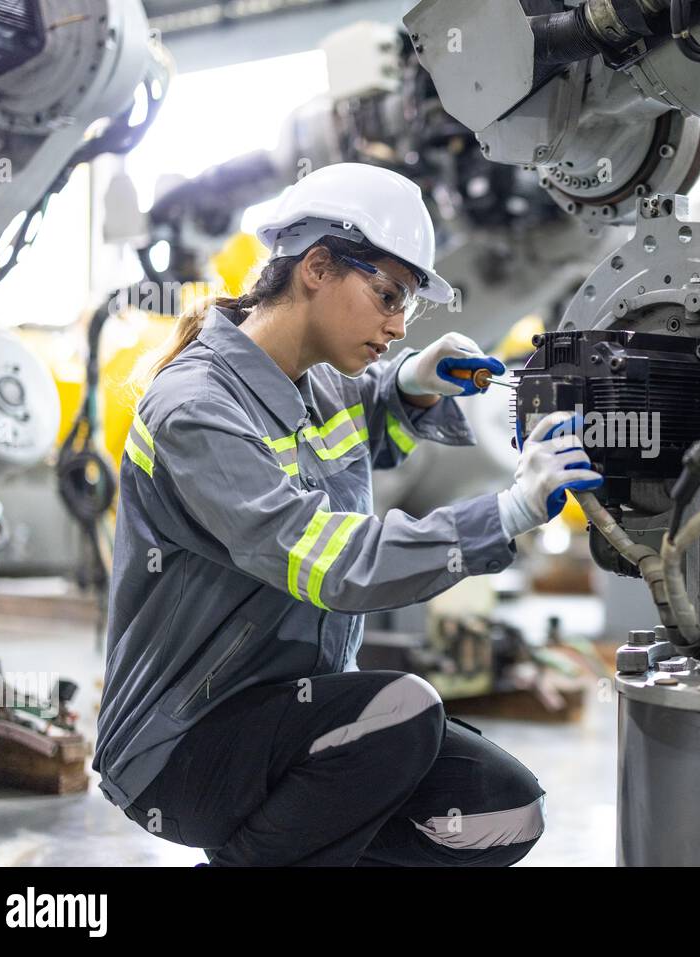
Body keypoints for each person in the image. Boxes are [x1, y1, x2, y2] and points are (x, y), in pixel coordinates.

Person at [92, 162, 602, 866]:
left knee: (502, 809)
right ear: (318, 267)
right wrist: (506, 513)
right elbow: (329, 560)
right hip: (184, 742)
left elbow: (369, 422)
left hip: (300, 721)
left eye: (409, 308)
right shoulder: (196, 410)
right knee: (403, 709)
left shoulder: (325, 381)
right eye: (388, 296)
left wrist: (414, 385)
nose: (396, 326)